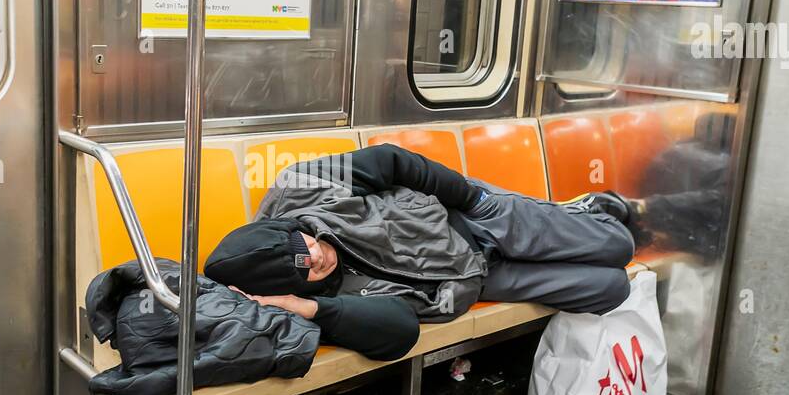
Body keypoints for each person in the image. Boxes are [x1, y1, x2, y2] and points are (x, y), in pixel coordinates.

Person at [204, 144, 637, 360]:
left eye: (306, 245)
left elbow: (393, 161)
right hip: (473, 280)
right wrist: (311, 307)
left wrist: (474, 200)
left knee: (619, 244)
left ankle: (577, 211)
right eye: (305, 271)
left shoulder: (299, 186)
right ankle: (563, 217)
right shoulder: (319, 303)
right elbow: (400, 331)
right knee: (611, 287)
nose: (317, 257)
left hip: (467, 220)